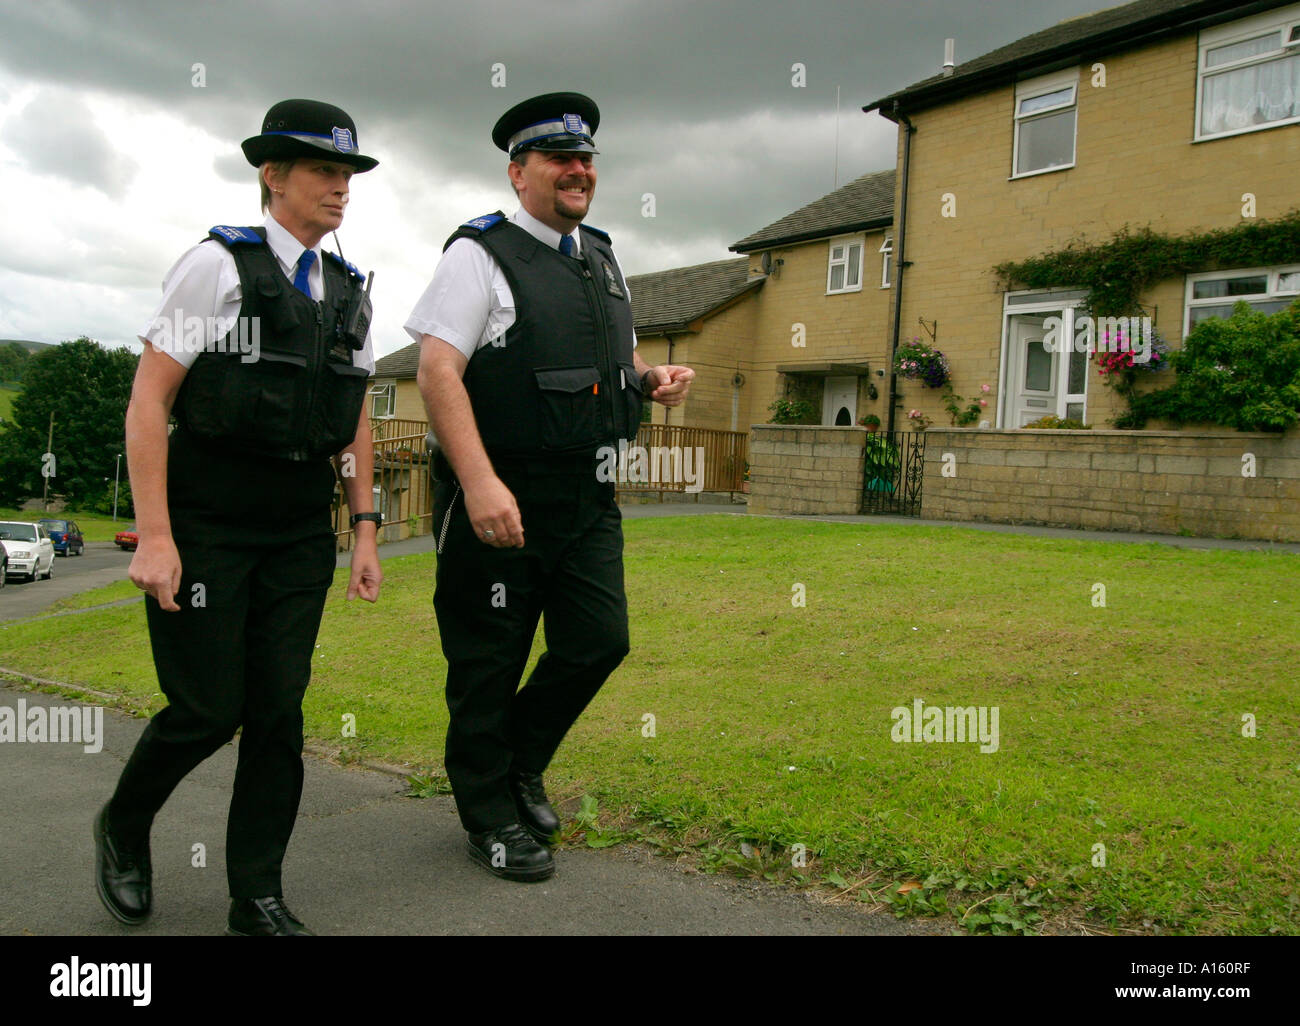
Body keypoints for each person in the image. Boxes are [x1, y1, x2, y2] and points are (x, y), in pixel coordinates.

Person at [94, 99, 383, 935]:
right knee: (207, 709)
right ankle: (122, 822)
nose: (340, 189)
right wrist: (155, 534)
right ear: (274, 175)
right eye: (324, 171)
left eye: (347, 174)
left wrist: (364, 524)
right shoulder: (217, 266)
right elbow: (150, 398)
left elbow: (355, 415)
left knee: (279, 715)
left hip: (299, 530)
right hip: (208, 522)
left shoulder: (348, 290)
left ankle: (255, 893)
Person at [407, 92, 693, 881]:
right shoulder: (479, 254)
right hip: (500, 494)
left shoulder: (600, 255)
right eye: (561, 159)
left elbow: (616, 362)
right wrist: (481, 481)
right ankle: (489, 815)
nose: (580, 171)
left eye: (588, 159)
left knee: (600, 641)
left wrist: (651, 376)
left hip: (587, 496)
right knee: (488, 662)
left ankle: (518, 763)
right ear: (518, 171)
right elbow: (437, 372)